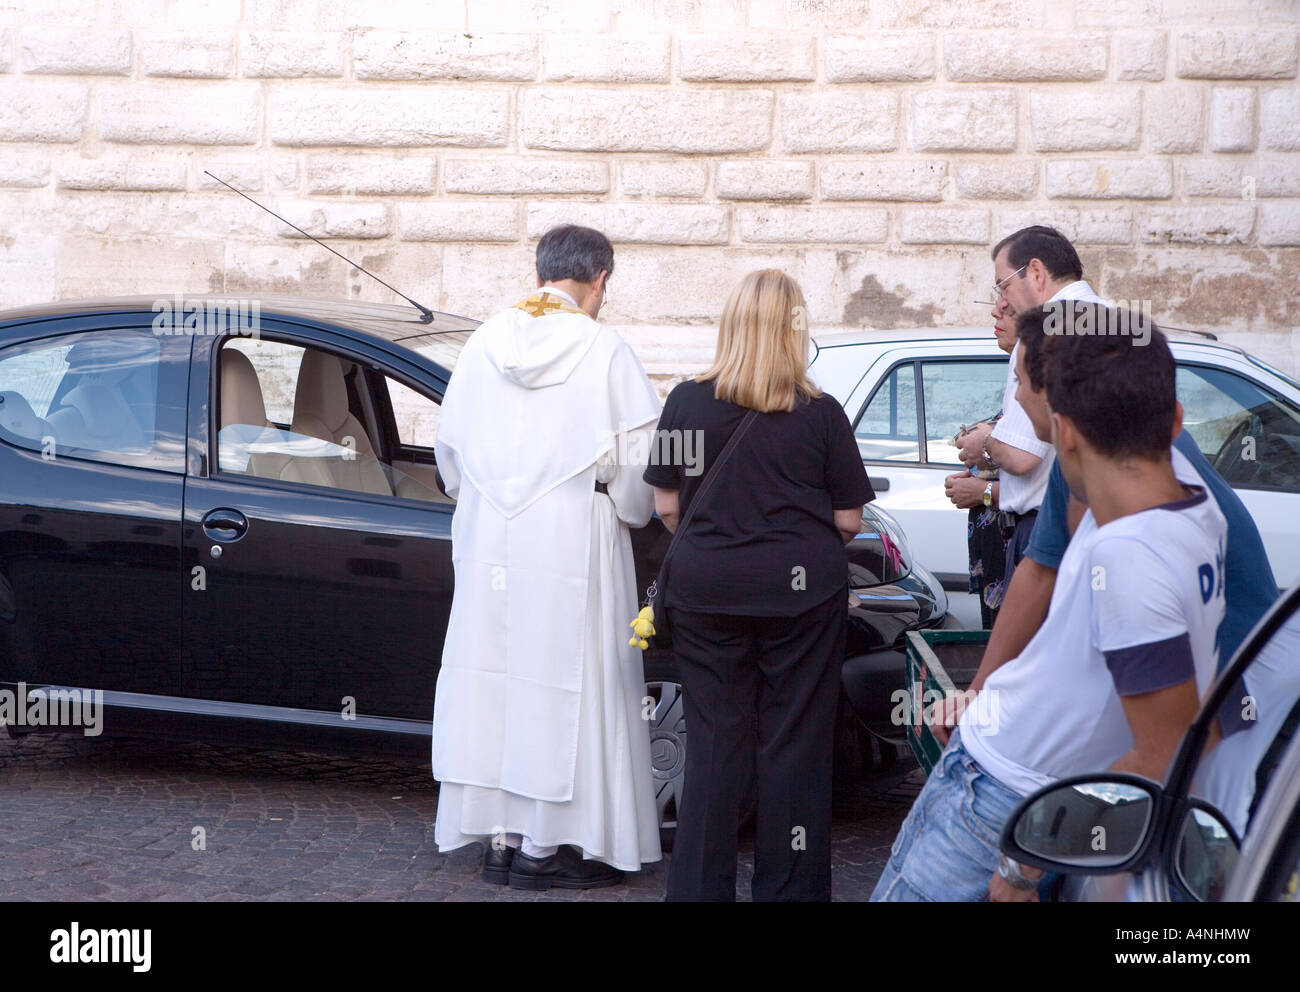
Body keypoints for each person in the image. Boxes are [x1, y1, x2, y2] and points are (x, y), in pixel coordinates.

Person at [873, 309, 1227, 902]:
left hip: (1004, 801)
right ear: (1176, 422)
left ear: (1064, 433)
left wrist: (1025, 862)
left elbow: (1166, 751)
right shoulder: (1193, 506)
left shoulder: (1129, 553)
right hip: (1006, 780)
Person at [430, 224, 664, 890]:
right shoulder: (604, 348)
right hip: (575, 531)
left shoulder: (482, 343)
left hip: (491, 536)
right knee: (573, 683)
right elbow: (635, 465)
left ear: (541, 274)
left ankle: (502, 841)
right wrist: (625, 508)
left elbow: (449, 454)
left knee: (496, 682)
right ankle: (549, 844)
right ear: (599, 282)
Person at [644, 269, 873, 901]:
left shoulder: (688, 402)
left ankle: (697, 891)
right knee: (794, 744)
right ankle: (790, 892)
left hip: (706, 590)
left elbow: (666, 506)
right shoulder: (821, 413)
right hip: (799, 598)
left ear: (733, 324)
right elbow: (849, 519)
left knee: (715, 744)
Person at [961, 226, 1104, 588]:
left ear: (1037, 273)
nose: (1002, 301)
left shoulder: (1047, 330)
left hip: (1048, 528)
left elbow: (1022, 454)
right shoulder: (1109, 318)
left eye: (1003, 285)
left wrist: (986, 442)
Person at [944, 298, 1016, 628]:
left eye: (1009, 307)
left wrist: (985, 489)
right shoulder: (1022, 370)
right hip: (1000, 561)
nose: (995, 310)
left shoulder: (1049, 370)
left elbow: (1050, 470)